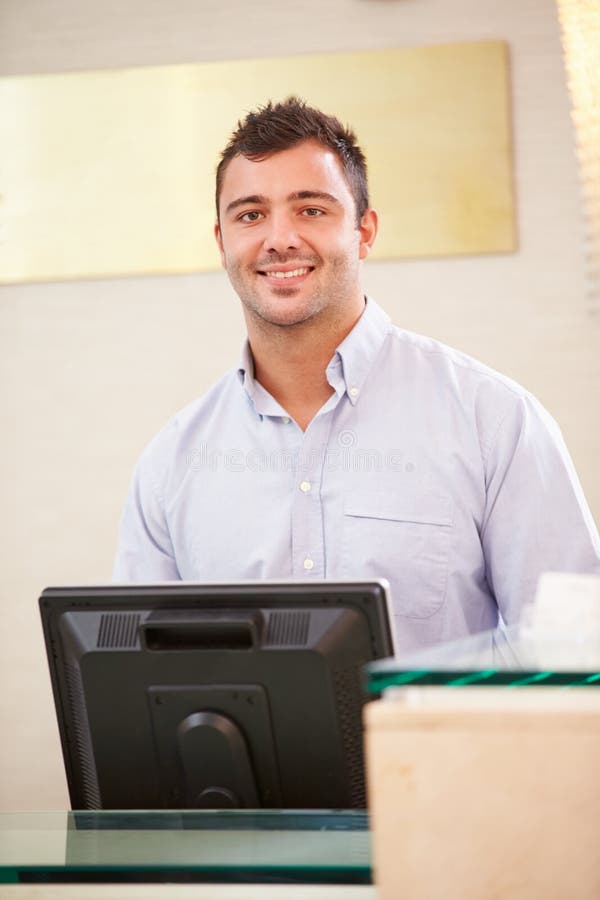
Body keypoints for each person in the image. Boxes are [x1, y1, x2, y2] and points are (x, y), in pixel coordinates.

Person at [113, 97, 600, 653]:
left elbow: (571, 651)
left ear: (365, 231)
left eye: (311, 209)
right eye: (250, 214)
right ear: (223, 242)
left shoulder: (495, 422)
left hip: (435, 743)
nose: (279, 239)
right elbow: (140, 677)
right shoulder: (171, 463)